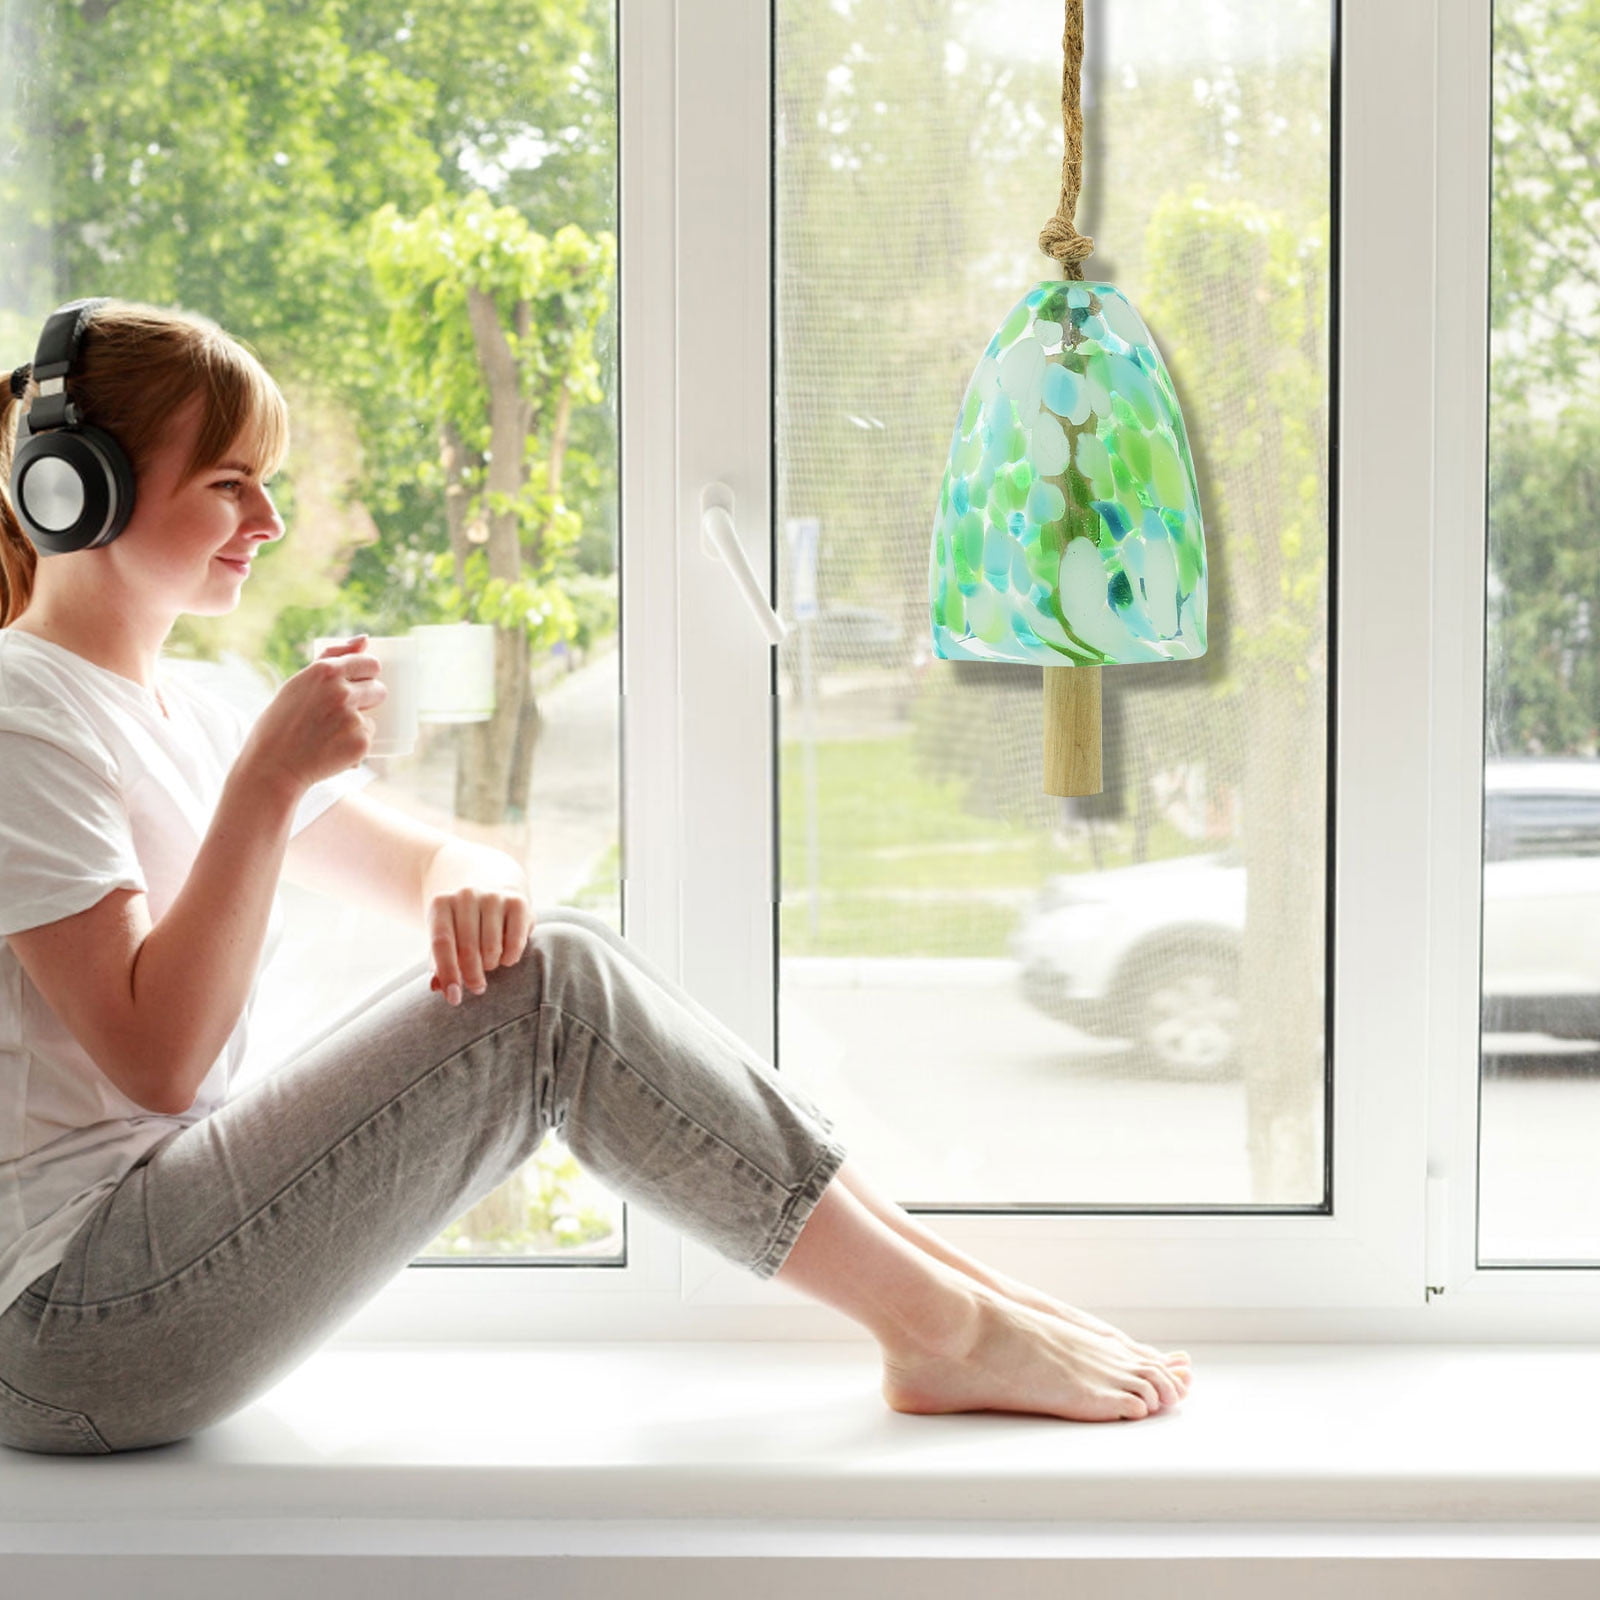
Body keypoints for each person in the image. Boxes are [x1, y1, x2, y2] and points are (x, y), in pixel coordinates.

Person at [0, 299, 1190, 1455]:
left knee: (561, 953)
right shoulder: (22, 713)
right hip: (70, 1329)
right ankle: (942, 1327)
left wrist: (460, 870)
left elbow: (437, 861)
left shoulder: (195, 706)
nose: (264, 515)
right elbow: (157, 1063)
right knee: (552, 988)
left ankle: (952, 1298)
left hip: (151, 1265)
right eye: (226, 482)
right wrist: (266, 785)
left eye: (268, 481)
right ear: (73, 492)